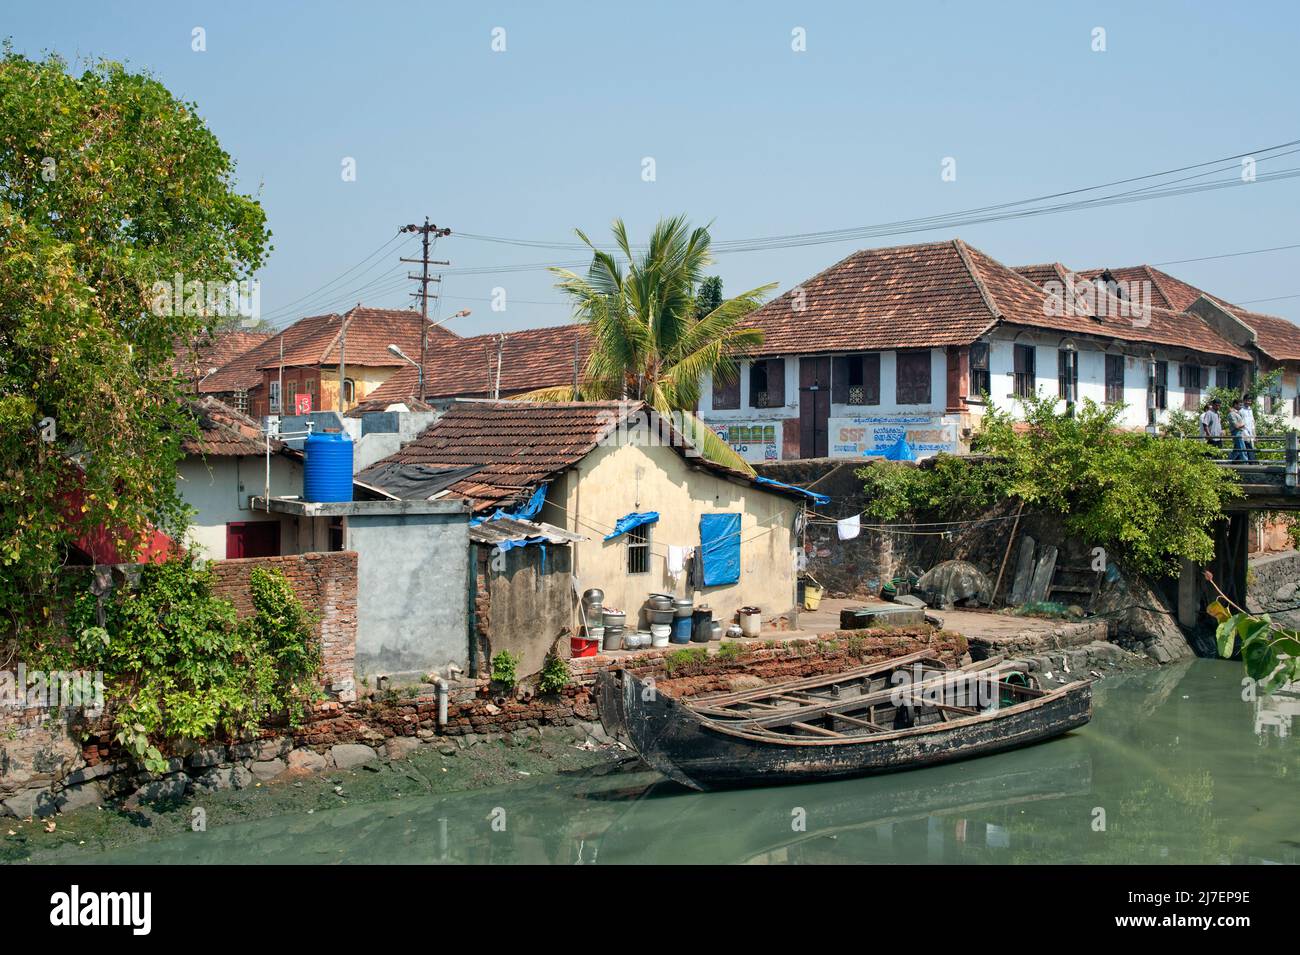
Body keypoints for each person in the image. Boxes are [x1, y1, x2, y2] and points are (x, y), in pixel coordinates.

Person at [1227, 398, 1247, 462]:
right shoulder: (1232, 414)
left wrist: (1241, 425)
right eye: (1240, 405)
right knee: (1242, 448)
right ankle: (1245, 462)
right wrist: (1243, 424)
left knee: (1236, 450)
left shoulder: (1237, 413)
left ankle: (1228, 462)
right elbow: (1236, 426)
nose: (1241, 407)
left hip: (1240, 432)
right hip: (1236, 433)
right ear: (1235, 405)